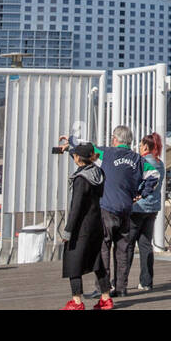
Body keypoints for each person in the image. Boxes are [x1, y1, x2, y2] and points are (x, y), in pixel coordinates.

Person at [59, 125, 146, 299]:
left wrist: (70, 142)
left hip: (107, 208)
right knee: (123, 249)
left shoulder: (107, 153)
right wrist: (141, 192)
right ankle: (121, 288)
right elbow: (155, 176)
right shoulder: (138, 159)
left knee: (103, 249)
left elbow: (89, 149)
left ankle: (102, 289)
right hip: (126, 209)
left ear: (115, 139)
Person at [60, 142, 110, 310]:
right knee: (97, 261)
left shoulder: (81, 179)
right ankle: (105, 298)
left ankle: (76, 302)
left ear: (77, 159)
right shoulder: (98, 173)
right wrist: (69, 149)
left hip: (82, 226)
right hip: (96, 223)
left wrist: (68, 231)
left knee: (72, 260)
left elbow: (76, 207)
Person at [124, 133, 164, 292]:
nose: (139, 148)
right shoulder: (160, 163)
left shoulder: (142, 162)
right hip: (153, 208)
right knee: (146, 244)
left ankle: (121, 281)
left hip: (138, 208)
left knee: (127, 245)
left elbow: (136, 183)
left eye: (140, 145)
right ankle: (146, 281)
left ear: (146, 147)